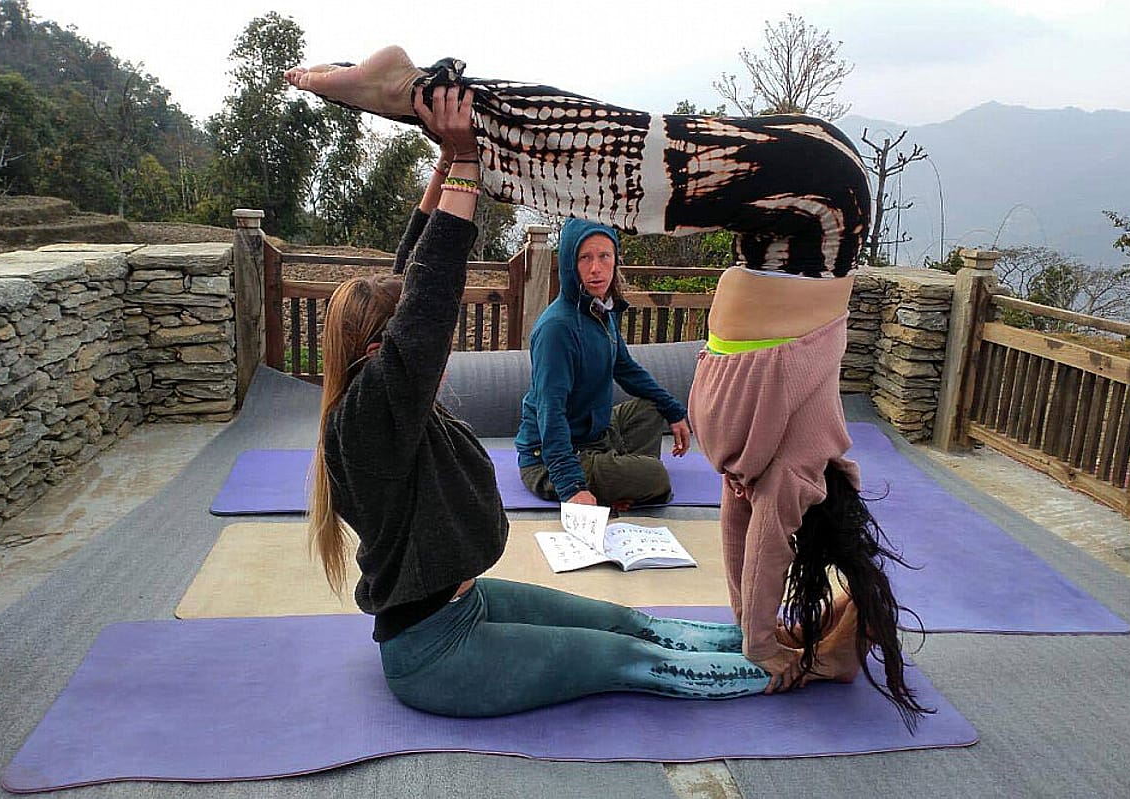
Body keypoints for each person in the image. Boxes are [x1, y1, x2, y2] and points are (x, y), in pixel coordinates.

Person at [291, 71, 864, 718]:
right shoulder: (366, 420)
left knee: (624, 621)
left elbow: (410, 273)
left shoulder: (376, 401)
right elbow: (425, 305)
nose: (433, 354)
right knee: (624, 663)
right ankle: (797, 668)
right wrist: (471, 169)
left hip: (467, 603)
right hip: (436, 652)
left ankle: (771, 638)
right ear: (377, 357)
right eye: (410, 349)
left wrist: (449, 154)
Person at [686, 123, 931, 729]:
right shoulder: (789, 472)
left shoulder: (794, 467)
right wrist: (759, 639)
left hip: (752, 352)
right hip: (745, 364)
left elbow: (760, 545)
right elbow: (757, 541)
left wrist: (757, 636)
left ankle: (828, 647)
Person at [514, 218, 691, 510]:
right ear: (571, 264)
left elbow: (625, 368)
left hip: (593, 432)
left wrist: (673, 410)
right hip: (548, 457)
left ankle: (619, 473)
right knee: (657, 477)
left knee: (650, 409)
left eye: (604, 256)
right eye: (585, 258)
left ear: (615, 259)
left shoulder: (601, 311)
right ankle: (622, 478)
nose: (596, 268)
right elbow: (550, 409)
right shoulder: (557, 328)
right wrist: (571, 486)